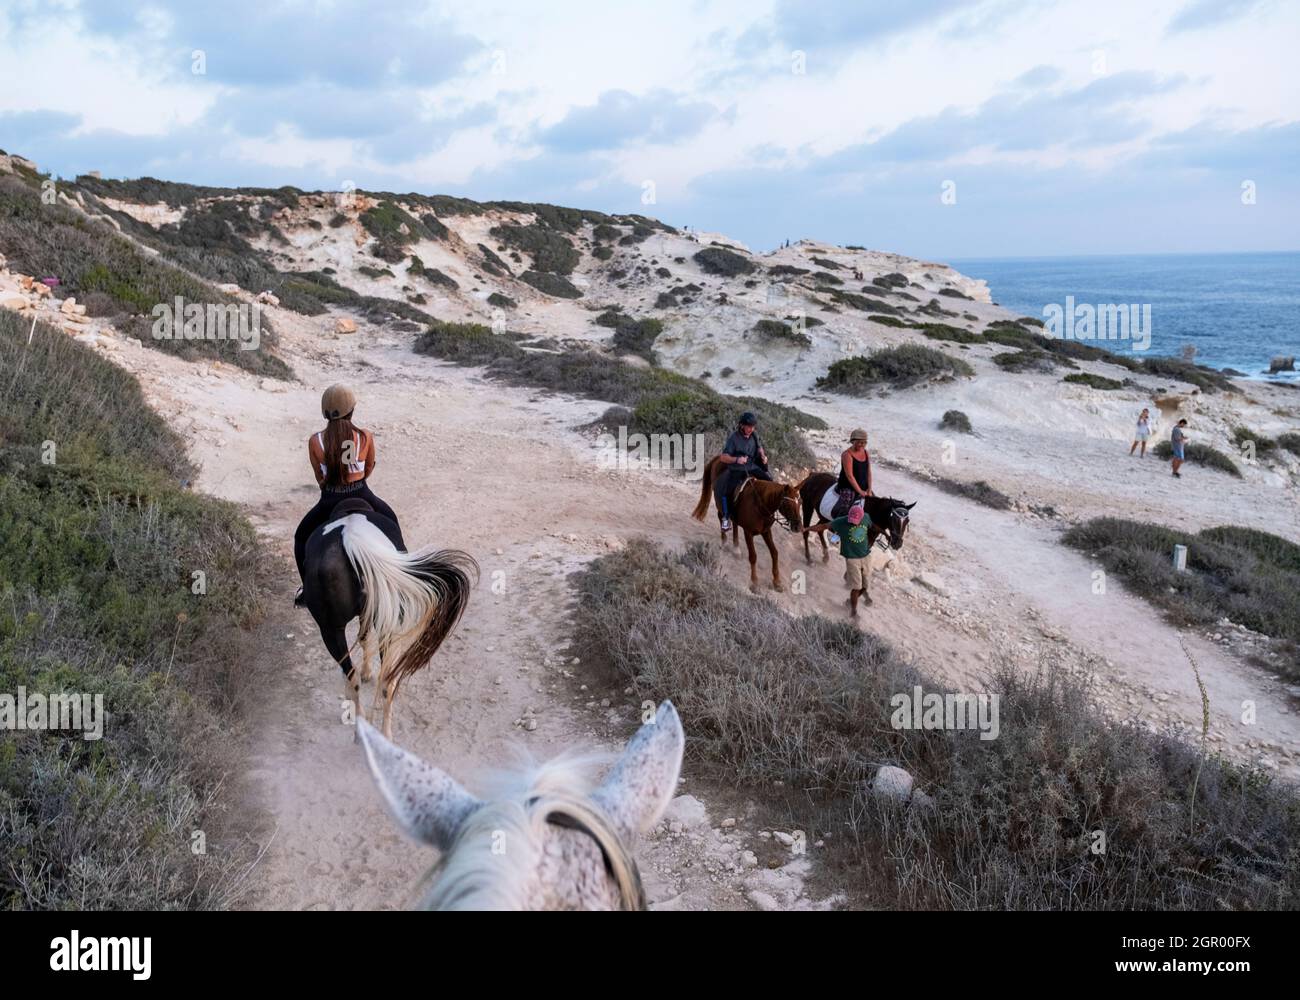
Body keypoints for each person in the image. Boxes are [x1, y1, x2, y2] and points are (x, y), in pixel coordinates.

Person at [293, 384, 404, 606]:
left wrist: (329, 482)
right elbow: (369, 468)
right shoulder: (364, 437)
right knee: (392, 523)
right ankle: (403, 577)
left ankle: (307, 590)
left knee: (301, 538)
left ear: (325, 412)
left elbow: (319, 476)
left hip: (330, 499)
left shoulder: (316, 441)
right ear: (352, 410)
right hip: (361, 493)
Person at [805, 504, 874, 616]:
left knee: (865, 586)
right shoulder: (841, 521)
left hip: (866, 556)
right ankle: (853, 612)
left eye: (856, 520)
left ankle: (849, 602)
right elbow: (823, 526)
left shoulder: (866, 517)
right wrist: (807, 528)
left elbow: (872, 528)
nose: (853, 522)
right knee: (856, 587)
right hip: (852, 559)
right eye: (851, 520)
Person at [714, 411, 773, 532]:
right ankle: (725, 518)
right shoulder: (733, 438)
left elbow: (759, 447)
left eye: (753, 426)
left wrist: (763, 455)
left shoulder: (754, 435)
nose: (751, 429)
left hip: (752, 466)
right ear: (742, 425)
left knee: (770, 481)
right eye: (749, 426)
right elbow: (723, 457)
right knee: (727, 492)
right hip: (737, 469)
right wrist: (737, 459)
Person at [835, 428, 872, 513]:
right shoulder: (847, 455)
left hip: (863, 485)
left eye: (864, 442)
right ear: (853, 441)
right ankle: (838, 523)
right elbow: (850, 476)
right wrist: (860, 492)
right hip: (848, 486)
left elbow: (869, 471)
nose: (862, 445)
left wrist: (869, 489)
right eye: (859, 442)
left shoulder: (866, 452)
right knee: (845, 507)